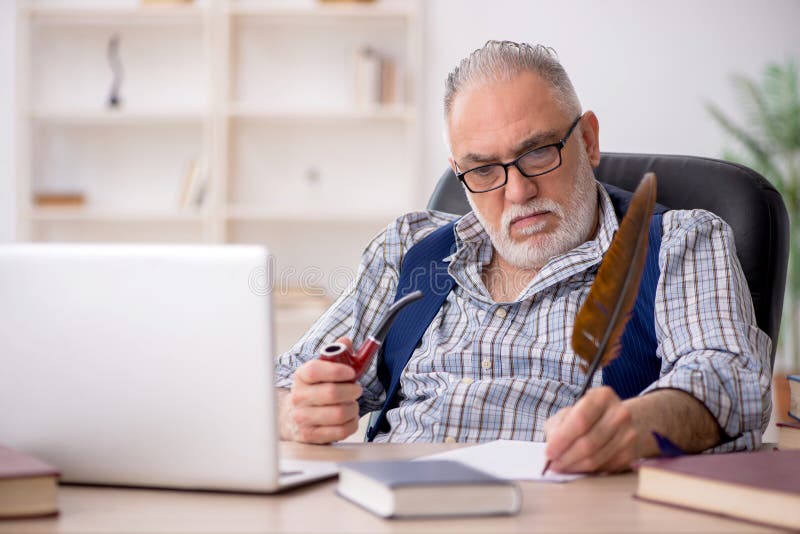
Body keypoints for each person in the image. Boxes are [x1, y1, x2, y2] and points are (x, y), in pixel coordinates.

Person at [275, 41, 772, 473]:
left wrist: (639, 426)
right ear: (458, 172)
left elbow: (731, 379)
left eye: (537, 153)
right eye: (484, 169)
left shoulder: (680, 242)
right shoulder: (408, 249)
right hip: (393, 504)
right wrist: (294, 410)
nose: (517, 191)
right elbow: (279, 383)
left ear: (589, 140)